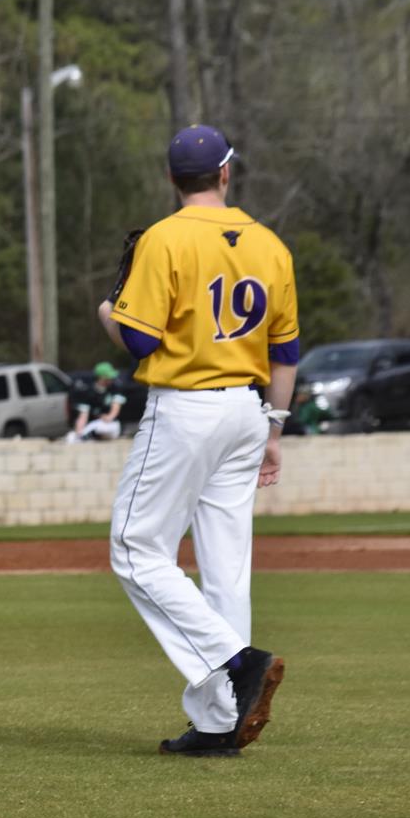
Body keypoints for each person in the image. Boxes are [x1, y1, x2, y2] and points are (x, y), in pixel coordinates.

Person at [98, 124, 298, 757]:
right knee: (226, 566)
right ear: (226, 173)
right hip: (247, 406)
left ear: (171, 180)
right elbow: (286, 350)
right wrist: (275, 426)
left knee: (135, 547)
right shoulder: (269, 244)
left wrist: (107, 311)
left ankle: (234, 663)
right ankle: (220, 722)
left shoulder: (165, 237)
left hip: (186, 406)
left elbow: (138, 340)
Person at [65, 362, 125, 442]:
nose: (111, 379)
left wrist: (109, 417)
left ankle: (83, 437)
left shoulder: (115, 388)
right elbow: (83, 416)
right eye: (109, 377)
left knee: (101, 427)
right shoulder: (88, 392)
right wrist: (79, 430)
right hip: (94, 425)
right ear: (102, 377)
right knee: (90, 428)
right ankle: (81, 436)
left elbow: (115, 408)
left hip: (112, 424)